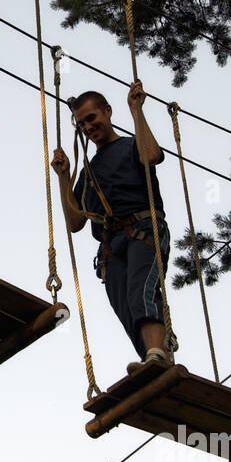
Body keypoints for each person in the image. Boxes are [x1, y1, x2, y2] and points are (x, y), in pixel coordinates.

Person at [50, 81, 175, 371]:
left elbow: (152, 156)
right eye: (82, 124)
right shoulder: (89, 172)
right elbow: (75, 222)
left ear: (107, 112)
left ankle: (157, 353)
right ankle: (154, 360)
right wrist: (64, 176)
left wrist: (136, 111)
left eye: (92, 118)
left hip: (143, 230)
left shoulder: (132, 145)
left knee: (140, 292)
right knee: (125, 305)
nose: (88, 127)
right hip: (111, 246)